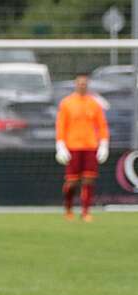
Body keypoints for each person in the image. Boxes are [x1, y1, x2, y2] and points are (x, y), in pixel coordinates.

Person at [55, 73, 109, 222]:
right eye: (80, 83)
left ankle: (86, 212)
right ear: (75, 84)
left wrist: (104, 144)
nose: (82, 85)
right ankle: (68, 209)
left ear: (88, 84)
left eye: (84, 83)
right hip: (72, 147)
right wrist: (60, 144)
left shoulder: (95, 103)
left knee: (88, 180)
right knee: (71, 182)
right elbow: (61, 125)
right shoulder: (67, 103)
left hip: (90, 146)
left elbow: (102, 125)